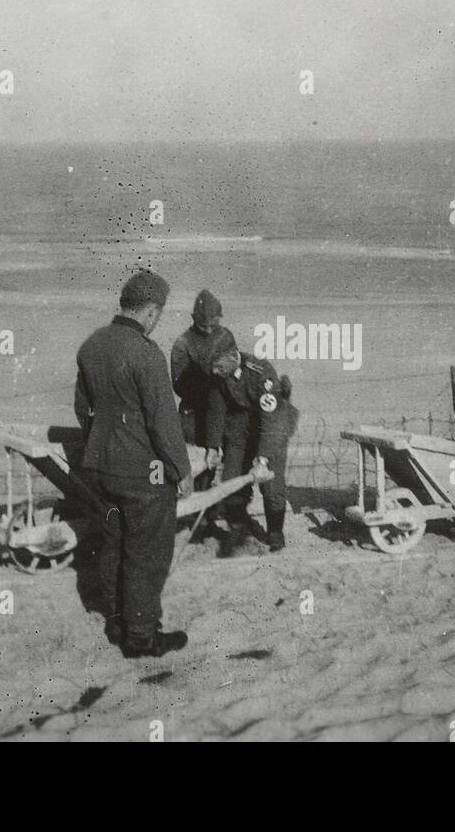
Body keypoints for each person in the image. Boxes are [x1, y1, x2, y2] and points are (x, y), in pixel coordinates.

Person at [74, 270, 192, 658]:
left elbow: (83, 409)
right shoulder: (145, 352)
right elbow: (163, 421)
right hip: (141, 474)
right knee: (147, 553)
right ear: (151, 311)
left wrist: (103, 442)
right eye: (158, 314)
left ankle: (115, 621)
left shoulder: (92, 345)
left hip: (98, 467)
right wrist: (180, 469)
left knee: (113, 545)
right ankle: (141, 637)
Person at [209, 348, 297, 551]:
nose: (215, 372)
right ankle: (239, 528)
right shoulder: (218, 373)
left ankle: (275, 531)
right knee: (232, 478)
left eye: (219, 367)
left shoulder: (261, 371)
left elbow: (272, 420)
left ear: (233, 357)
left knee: (271, 484)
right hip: (240, 429)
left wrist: (263, 459)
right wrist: (212, 447)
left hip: (272, 427)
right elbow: (216, 410)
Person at [170, 289, 236, 504]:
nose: (208, 329)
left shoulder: (225, 337)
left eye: (212, 323)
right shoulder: (183, 343)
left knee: (221, 467)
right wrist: (207, 378)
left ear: (219, 317)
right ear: (193, 319)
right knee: (196, 467)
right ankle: (193, 512)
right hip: (193, 414)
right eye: (203, 324)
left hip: (222, 414)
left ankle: (211, 515)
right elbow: (179, 385)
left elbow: (234, 369)